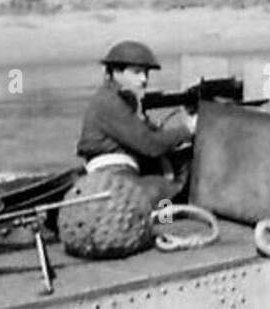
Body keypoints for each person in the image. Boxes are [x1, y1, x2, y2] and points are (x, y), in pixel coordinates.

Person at [76, 40, 195, 202]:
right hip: (111, 174)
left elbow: (149, 135)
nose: (144, 79)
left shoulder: (120, 99)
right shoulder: (108, 102)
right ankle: (165, 223)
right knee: (167, 189)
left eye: (146, 73)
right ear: (117, 71)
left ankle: (165, 220)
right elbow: (150, 145)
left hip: (119, 170)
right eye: (137, 72)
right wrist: (187, 129)